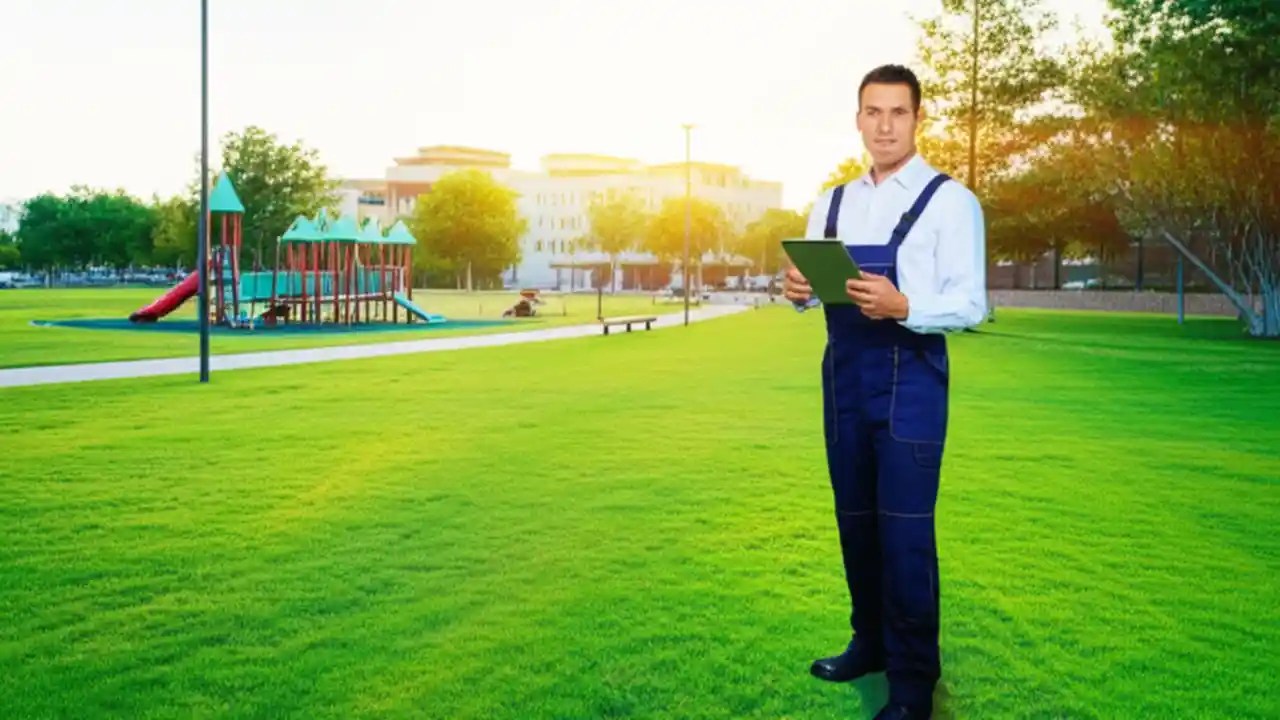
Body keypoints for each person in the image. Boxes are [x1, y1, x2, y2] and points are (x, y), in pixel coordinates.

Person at [784, 64, 987, 720]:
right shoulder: (831, 202)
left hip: (912, 385)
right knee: (857, 526)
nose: (885, 125)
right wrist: (796, 291)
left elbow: (971, 304)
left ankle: (912, 684)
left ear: (918, 118)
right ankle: (868, 644)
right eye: (873, 112)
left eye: (898, 112)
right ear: (858, 118)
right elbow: (815, 284)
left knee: (903, 538)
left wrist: (904, 304)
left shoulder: (951, 201)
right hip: (843, 380)